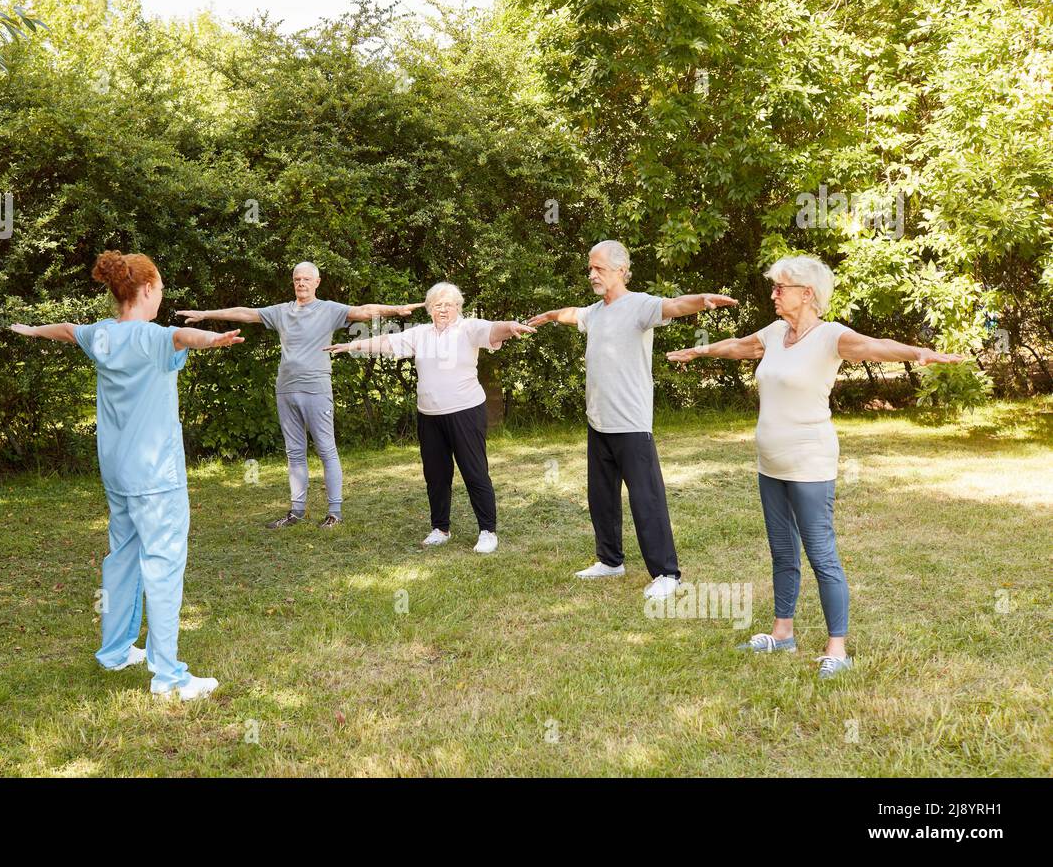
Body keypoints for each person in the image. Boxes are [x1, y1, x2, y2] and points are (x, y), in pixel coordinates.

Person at [667, 255, 966, 678]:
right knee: (782, 550)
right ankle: (782, 632)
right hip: (769, 462)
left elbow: (874, 347)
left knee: (821, 553)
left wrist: (923, 353)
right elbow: (737, 348)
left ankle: (837, 648)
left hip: (810, 462)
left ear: (807, 294)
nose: (773, 294)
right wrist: (699, 351)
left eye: (779, 287)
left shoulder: (830, 337)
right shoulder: (774, 334)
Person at [9, 250, 244, 702]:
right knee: (163, 564)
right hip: (156, 476)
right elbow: (184, 337)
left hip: (117, 472)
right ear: (148, 290)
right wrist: (212, 342)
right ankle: (169, 676)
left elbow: (66, 331)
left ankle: (116, 651)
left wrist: (33, 330)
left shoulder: (101, 335)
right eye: (160, 290)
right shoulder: (153, 337)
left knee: (122, 558)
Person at [528, 240, 738, 598]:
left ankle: (667, 574)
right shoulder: (595, 312)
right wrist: (549, 316)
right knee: (601, 497)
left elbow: (671, 305)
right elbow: (573, 313)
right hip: (599, 420)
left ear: (621, 271)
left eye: (599, 269)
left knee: (646, 498)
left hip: (631, 422)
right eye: (590, 268)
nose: (592, 274)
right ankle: (610, 561)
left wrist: (700, 300)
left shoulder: (639, 305)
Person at [178, 262, 421, 529]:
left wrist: (395, 310)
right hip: (286, 388)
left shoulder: (330, 310)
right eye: (297, 279)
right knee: (294, 452)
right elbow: (246, 313)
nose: (301, 283)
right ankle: (296, 511)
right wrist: (205, 313)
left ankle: (334, 513)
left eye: (306, 279)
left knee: (326, 449)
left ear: (317, 282)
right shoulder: (281, 312)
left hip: (316, 388)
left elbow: (364, 311)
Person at [325, 282, 535, 553]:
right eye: (437, 305)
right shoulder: (421, 333)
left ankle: (487, 531)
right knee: (436, 475)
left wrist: (510, 326)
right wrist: (352, 345)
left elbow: (493, 329)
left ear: (458, 307)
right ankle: (440, 528)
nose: (443, 309)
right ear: (429, 309)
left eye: (449, 304)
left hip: (465, 412)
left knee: (474, 472)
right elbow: (387, 342)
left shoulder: (468, 328)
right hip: (430, 415)